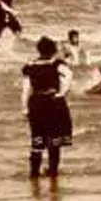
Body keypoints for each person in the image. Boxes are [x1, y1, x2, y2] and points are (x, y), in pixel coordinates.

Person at [21, 37, 74, 178]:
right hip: (53, 103)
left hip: (36, 103)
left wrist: (24, 108)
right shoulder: (57, 64)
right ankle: (53, 172)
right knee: (54, 140)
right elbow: (69, 76)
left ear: (38, 50)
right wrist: (62, 93)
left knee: (37, 139)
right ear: (54, 51)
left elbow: (26, 90)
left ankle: (33, 173)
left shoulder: (30, 66)